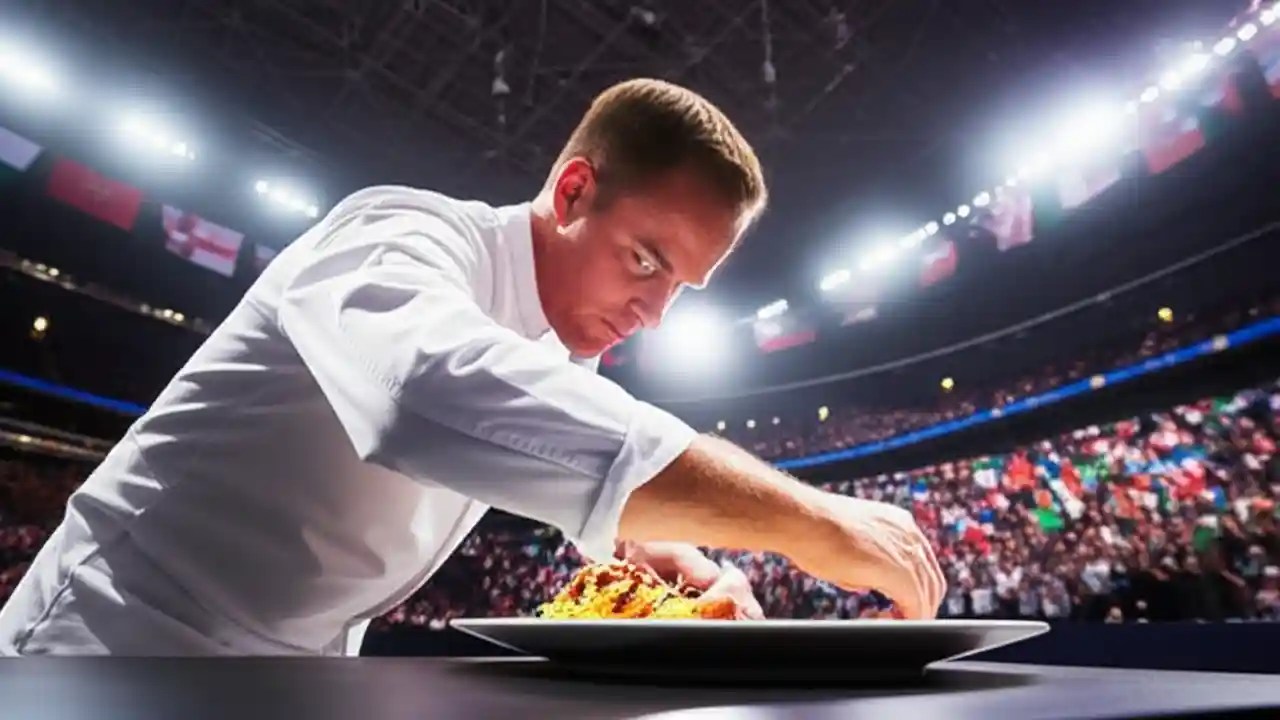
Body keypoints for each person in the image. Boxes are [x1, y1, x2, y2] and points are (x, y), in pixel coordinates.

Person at [0, 79, 943, 656]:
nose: (653, 312)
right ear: (573, 189)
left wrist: (670, 560)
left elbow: (526, 448)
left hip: (288, 671)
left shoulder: (545, 343)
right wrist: (804, 521)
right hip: (112, 648)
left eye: (680, 288)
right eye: (646, 261)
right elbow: (421, 396)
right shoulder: (398, 232)